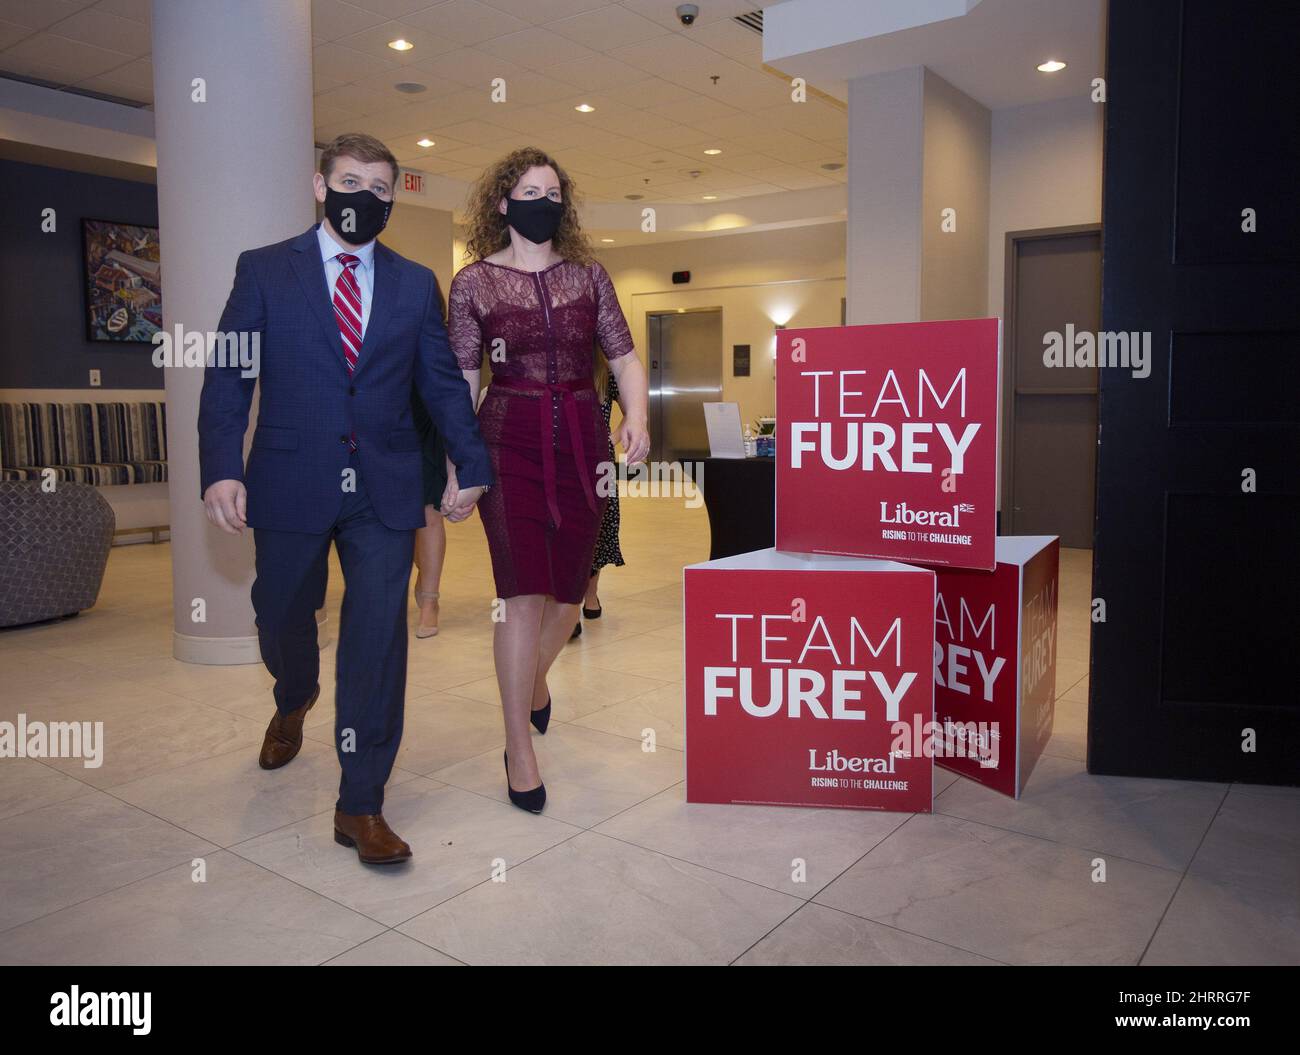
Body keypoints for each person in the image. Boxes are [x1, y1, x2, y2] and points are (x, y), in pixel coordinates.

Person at [198, 133, 492, 865]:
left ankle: (360, 800)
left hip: (386, 488)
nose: (367, 195)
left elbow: (442, 384)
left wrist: (471, 459)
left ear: (393, 198)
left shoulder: (414, 281)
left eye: (382, 186)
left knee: (377, 638)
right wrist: (220, 466)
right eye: (352, 180)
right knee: (281, 611)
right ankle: (295, 691)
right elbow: (230, 374)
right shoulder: (266, 270)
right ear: (320, 186)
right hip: (291, 479)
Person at [446, 147, 649, 814]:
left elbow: (623, 357)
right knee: (522, 592)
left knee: (570, 590)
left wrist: (638, 417)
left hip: (583, 438)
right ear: (503, 204)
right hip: (507, 440)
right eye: (530, 190)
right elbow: (460, 381)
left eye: (554, 191)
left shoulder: (588, 277)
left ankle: (532, 681)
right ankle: (518, 747)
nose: (545, 200)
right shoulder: (474, 283)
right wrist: (458, 464)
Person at [571, 358, 625, 641]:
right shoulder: (564, 367)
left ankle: (591, 596)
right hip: (565, 461)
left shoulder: (608, 372)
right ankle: (568, 607)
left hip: (600, 464)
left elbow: (633, 413)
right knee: (570, 533)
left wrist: (610, 438)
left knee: (599, 530)